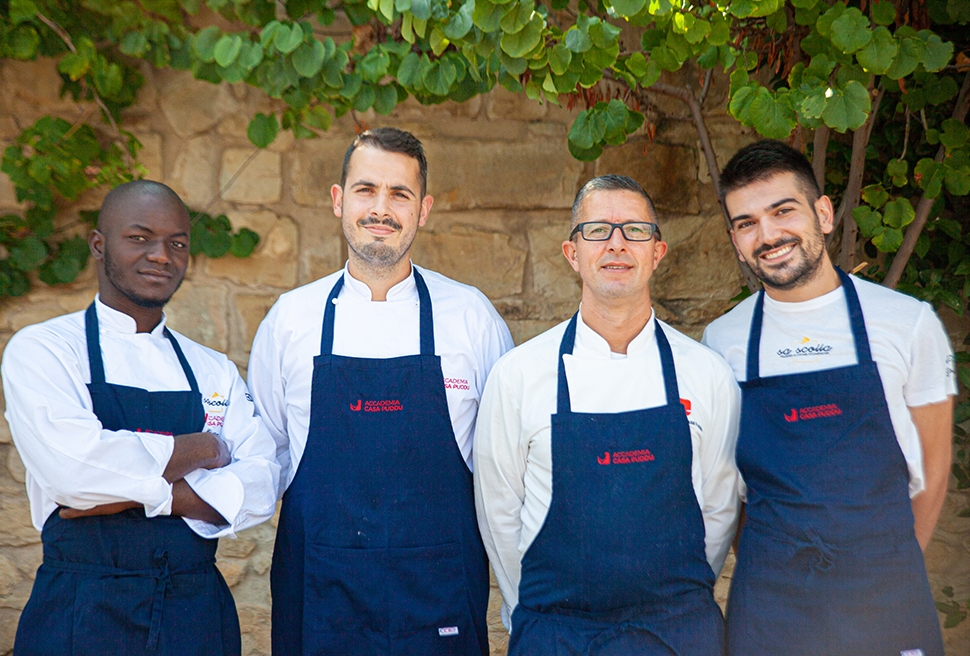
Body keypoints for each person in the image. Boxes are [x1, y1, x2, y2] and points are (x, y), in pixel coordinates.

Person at [247, 127, 513, 655]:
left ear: (424, 209)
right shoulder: (291, 320)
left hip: (438, 595)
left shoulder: (472, 318)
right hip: (321, 595)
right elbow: (265, 459)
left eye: (400, 194)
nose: (381, 208)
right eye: (366, 190)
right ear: (338, 200)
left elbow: (503, 471)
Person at [2, 180, 280, 655]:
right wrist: (202, 449)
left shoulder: (213, 368)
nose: (161, 255)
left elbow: (261, 485)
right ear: (98, 244)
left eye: (177, 243)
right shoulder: (45, 349)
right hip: (80, 611)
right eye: (140, 237)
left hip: (195, 615)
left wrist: (127, 495)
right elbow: (73, 473)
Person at [702, 140, 954, 655]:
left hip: (886, 595)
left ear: (822, 213)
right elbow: (728, 487)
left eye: (782, 211)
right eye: (746, 222)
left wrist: (885, 566)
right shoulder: (722, 341)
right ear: (735, 238)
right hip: (771, 606)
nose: (768, 235)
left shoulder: (907, 324)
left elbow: (934, 466)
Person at [474, 174, 741, 655]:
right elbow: (499, 513)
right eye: (597, 230)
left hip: (678, 635)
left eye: (635, 230)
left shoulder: (707, 375)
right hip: (557, 636)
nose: (617, 244)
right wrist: (537, 612)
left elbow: (718, 512)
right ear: (571, 253)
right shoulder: (517, 375)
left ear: (657, 252)